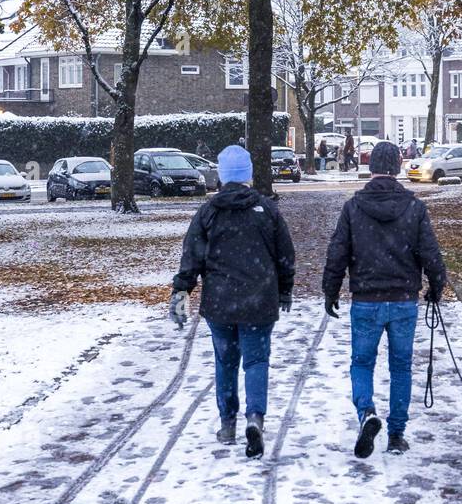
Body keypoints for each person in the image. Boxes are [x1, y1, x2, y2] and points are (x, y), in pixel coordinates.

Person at [322, 140, 446, 457]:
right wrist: (436, 286)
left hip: (366, 297)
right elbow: (430, 253)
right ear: (397, 167)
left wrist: (331, 290)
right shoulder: (414, 208)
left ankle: (366, 412)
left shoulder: (354, 207)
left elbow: (338, 252)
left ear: (372, 166)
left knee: (362, 363)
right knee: (401, 367)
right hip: (403, 298)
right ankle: (396, 434)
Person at [170, 145, 295, 459]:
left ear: (222, 175)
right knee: (256, 361)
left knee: (225, 362)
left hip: (220, 302)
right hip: (259, 300)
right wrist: (285, 290)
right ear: (248, 174)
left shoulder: (208, 212)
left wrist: (181, 292)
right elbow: (285, 255)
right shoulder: (266, 209)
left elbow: (191, 257)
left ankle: (228, 424)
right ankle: (255, 417)